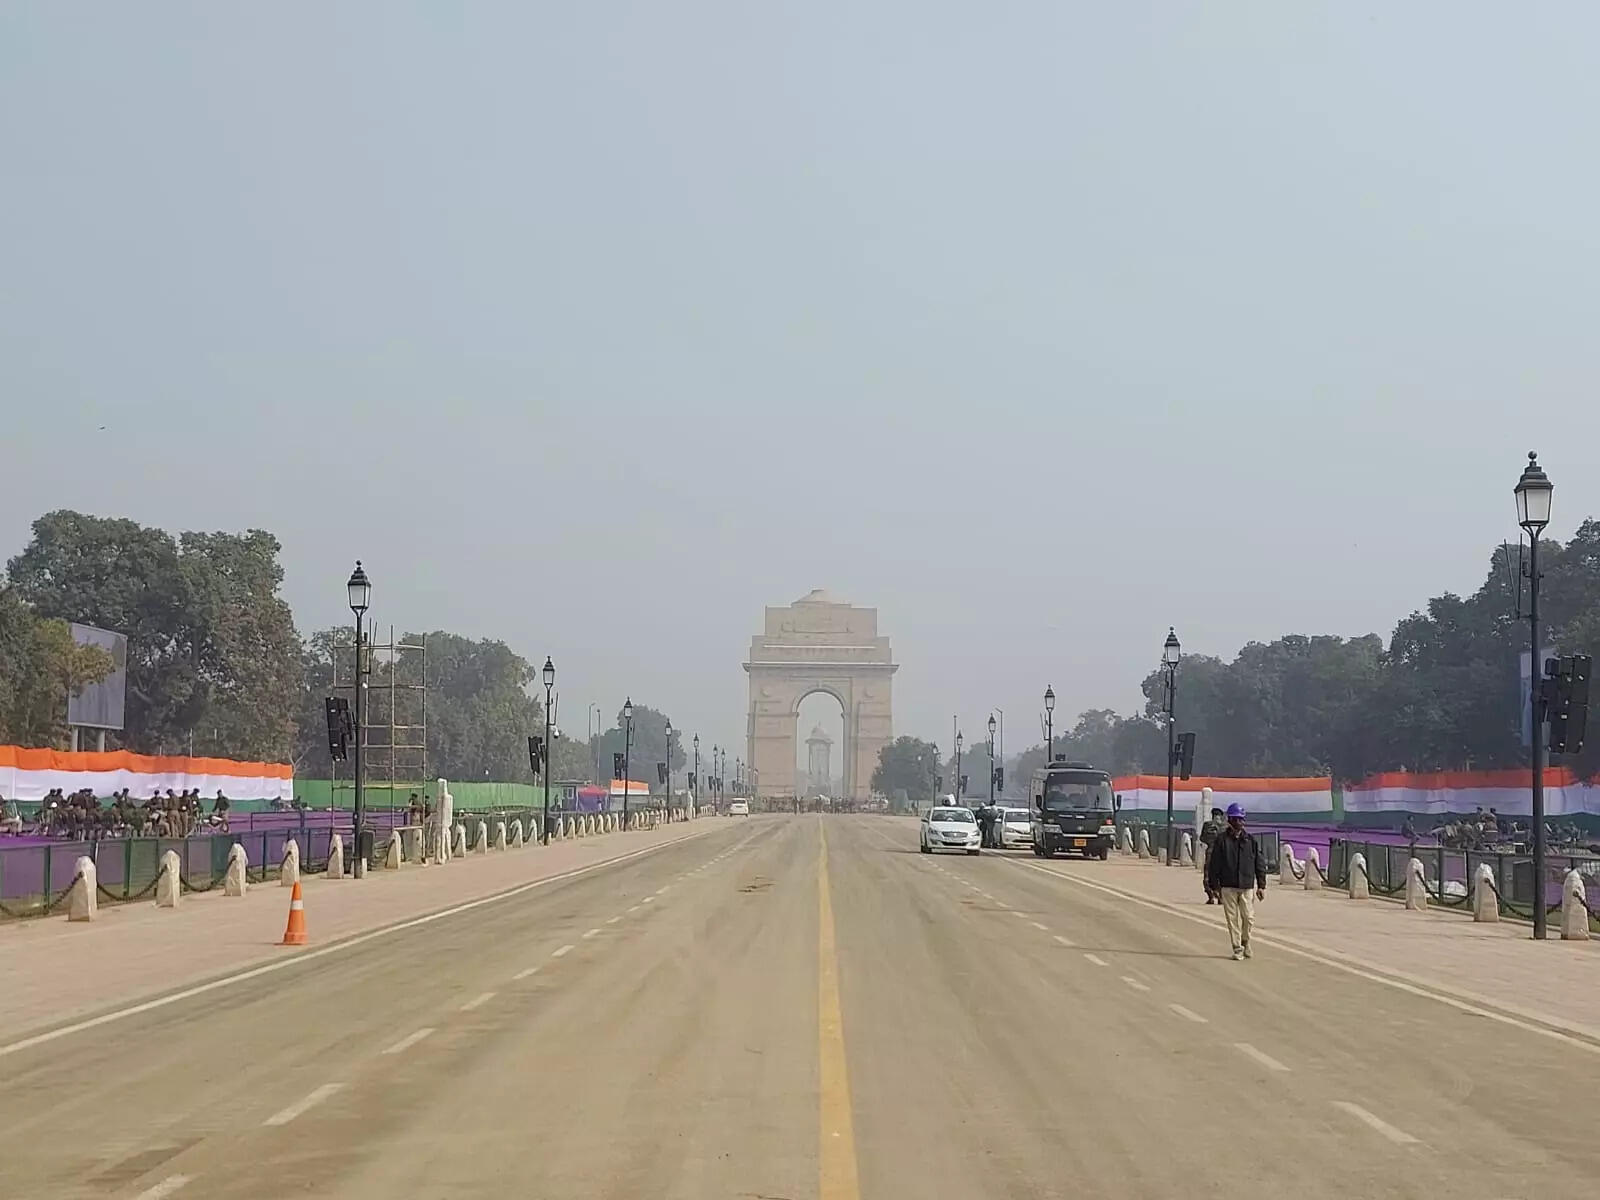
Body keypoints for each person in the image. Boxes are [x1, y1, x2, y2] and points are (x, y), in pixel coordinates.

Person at [1204, 803, 1268, 961]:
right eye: (1237, 819)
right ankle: (1237, 947)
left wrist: (1261, 886)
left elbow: (1259, 863)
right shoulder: (1222, 841)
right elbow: (1215, 864)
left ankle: (1246, 941)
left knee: (1248, 917)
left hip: (1246, 885)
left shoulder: (1250, 841)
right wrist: (1214, 886)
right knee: (1232, 919)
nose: (1240, 823)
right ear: (1230, 820)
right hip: (1228, 886)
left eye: (1242, 819)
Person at [1198, 807, 1225, 903]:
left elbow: (1202, 838)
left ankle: (1211, 896)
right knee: (1221, 875)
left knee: (1208, 874)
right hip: (1222, 854)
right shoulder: (1225, 827)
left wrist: (1210, 842)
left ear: (1212, 815)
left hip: (1211, 852)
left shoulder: (1207, 825)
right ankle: (1220, 896)